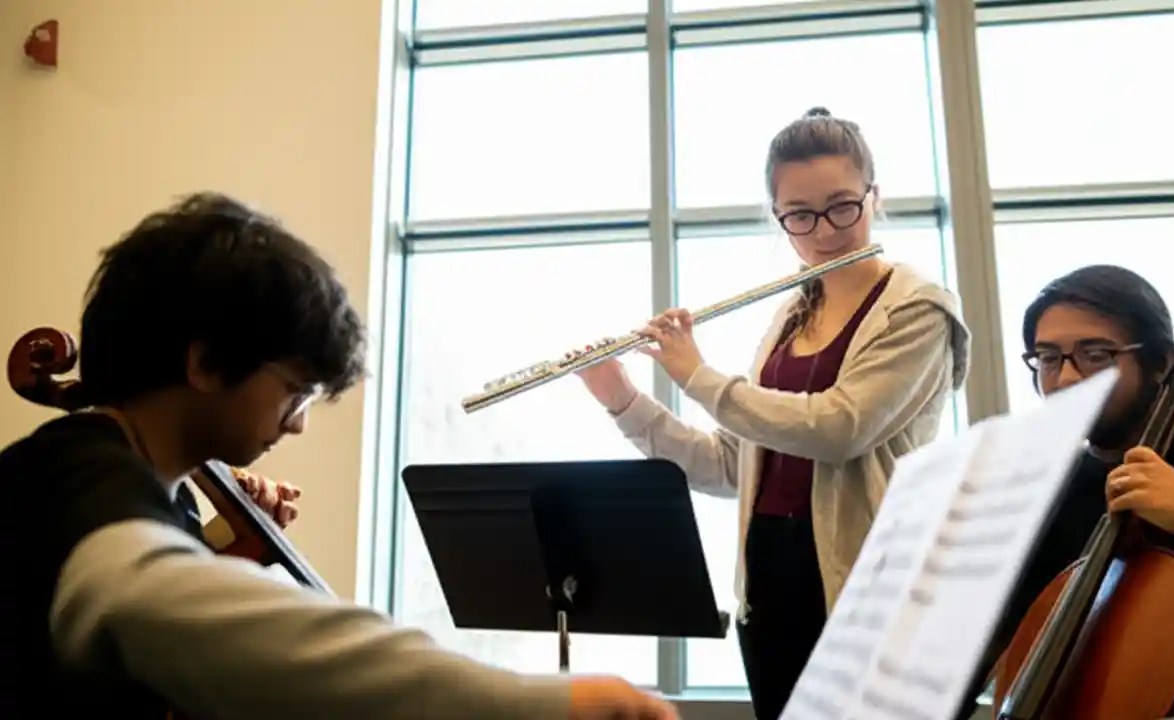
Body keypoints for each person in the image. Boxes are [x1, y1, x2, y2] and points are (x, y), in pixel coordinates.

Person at [0, 192, 678, 720]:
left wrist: (211, 544)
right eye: (293, 391)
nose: (294, 426)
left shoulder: (148, 491)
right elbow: (149, 597)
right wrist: (527, 704)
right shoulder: (74, 470)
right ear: (205, 363)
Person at [577, 107, 972, 720]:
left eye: (844, 206)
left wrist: (697, 374)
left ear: (875, 196)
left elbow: (841, 428)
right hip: (768, 584)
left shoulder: (915, 310)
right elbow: (732, 466)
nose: (825, 232)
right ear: (778, 215)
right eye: (800, 215)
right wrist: (624, 401)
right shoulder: (789, 318)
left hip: (862, 588)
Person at [965, 264, 1174, 712]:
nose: (1066, 379)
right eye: (1049, 358)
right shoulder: (1053, 492)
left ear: (1162, 362)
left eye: (1095, 355)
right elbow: (997, 639)